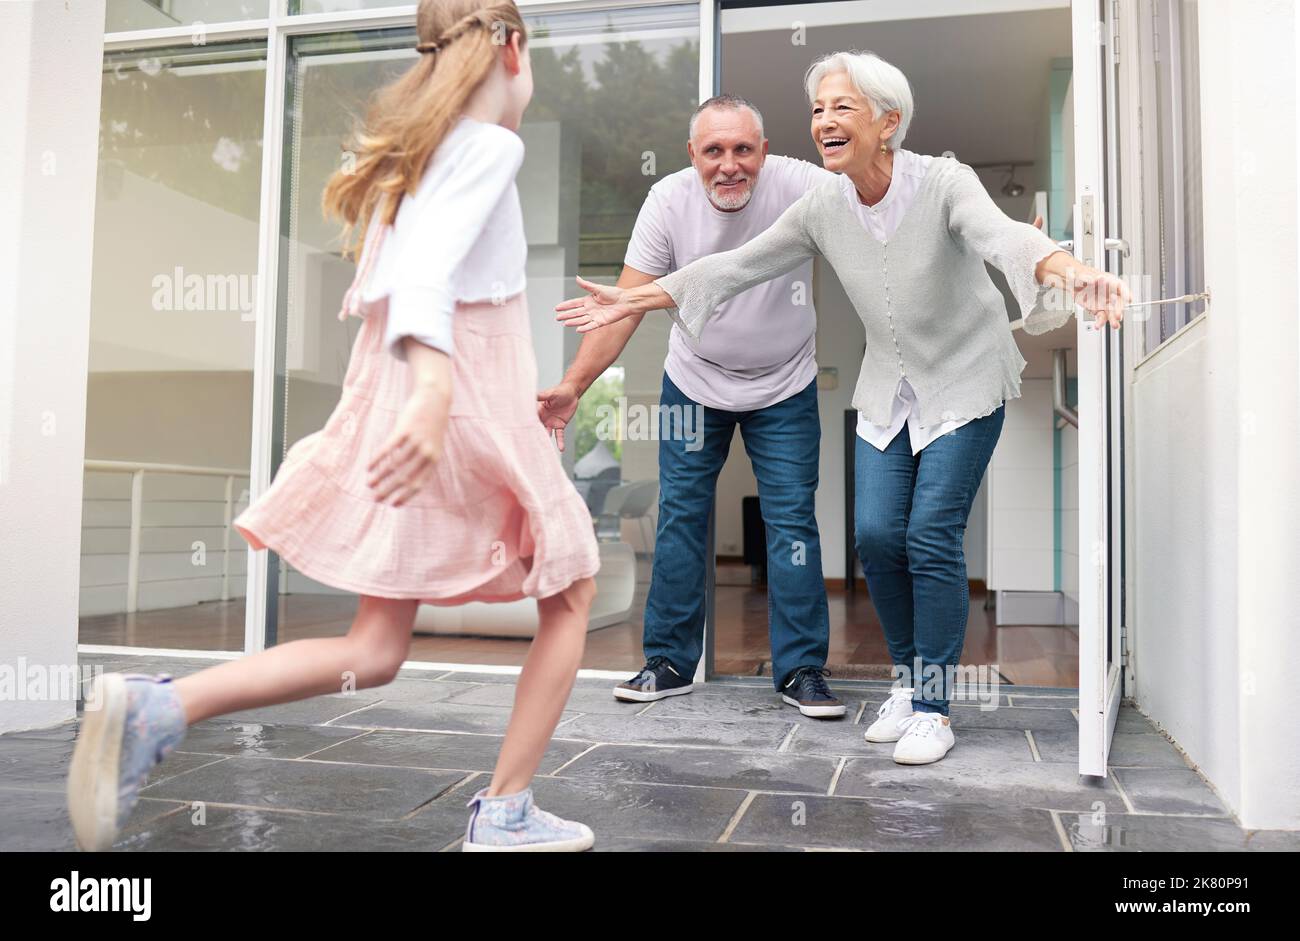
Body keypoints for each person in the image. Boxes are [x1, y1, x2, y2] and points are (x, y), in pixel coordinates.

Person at [66, 0, 600, 852]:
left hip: (414, 405)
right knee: (572, 591)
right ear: (511, 47)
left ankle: (162, 705)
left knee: (377, 644)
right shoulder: (491, 145)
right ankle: (504, 814)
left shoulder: (415, 157)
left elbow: (417, 288)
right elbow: (426, 282)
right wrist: (438, 393)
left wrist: (441, 396)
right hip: (443, 404)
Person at [556, 50, 1128, 766]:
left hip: (964, 380)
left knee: (927, 533)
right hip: (888, 386)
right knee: (878, 535)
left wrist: (1070, 268)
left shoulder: (942, 182)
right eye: (819, 109)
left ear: (888, 122)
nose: (824, 121)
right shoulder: (822, 203)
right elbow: (735, 266)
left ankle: (931, 703)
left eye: (841, 108)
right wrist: (633, 296)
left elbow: (1003, 235)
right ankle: (903, 678)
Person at [537, 95, 847, 718]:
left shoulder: (801, 184)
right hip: (695, 380)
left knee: (791, 525)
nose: (729, 165)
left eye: (742, 150)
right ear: (692, 156)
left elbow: (880, 203)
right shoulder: (668, 201)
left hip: (785, 383)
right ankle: (670, 662)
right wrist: (574, 385)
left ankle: (801, 670)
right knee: (681, 516)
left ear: (764, 151)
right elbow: (621, 310)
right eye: (714, 151)